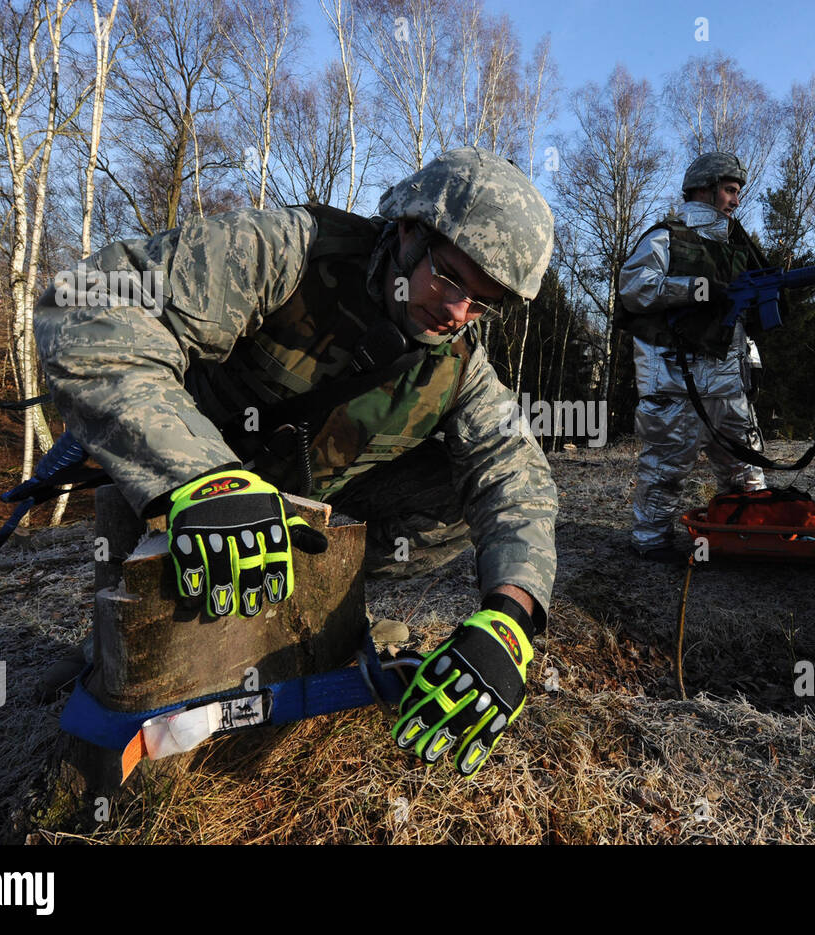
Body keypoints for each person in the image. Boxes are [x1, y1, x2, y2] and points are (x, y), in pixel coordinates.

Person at [35, 147, 557, 776]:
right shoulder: (286, 251)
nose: (455, 314)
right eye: (449, 278)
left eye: (482, 302)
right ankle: (122, 636)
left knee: (461, 486)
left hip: (304, 502)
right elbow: (85, 304)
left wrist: (511, 618)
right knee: (147, 672)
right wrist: (198, 479)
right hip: (189, 490)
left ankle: (316, 613)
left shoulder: (460, 366)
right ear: (409, 231)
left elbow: (517, 478)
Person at [617, 151, 769, 564]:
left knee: (747, 469)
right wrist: (697, 288)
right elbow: (634, 288)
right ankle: (651, 542)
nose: (736, 200)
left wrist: (750, 360)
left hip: (728, 382)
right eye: (730, 190)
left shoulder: (738, 243)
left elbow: (745, 314)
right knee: (666, 468)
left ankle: (746, 537)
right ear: (704, 187)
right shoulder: (666, 235)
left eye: (737, 192)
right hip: (673, 377)